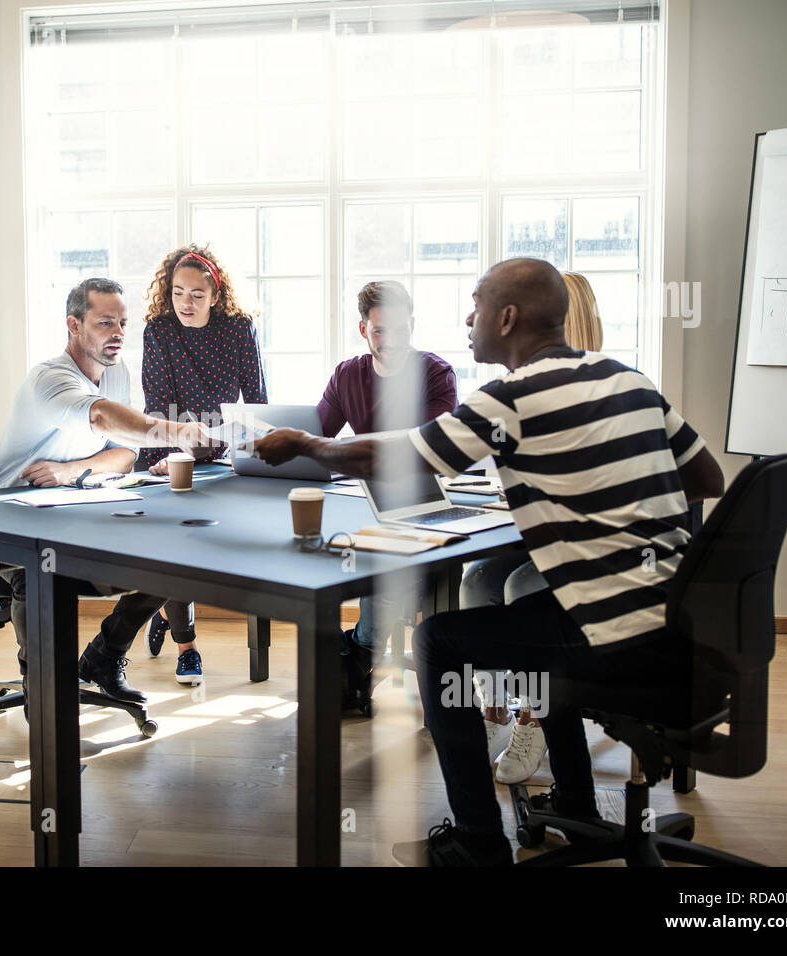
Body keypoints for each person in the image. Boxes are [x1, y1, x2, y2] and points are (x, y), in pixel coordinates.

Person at [250, 258, 724, 866]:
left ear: (507, 317)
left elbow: (402, 459)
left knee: (440, 641)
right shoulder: (627, 379)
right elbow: (705, 477)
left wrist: (307, 443)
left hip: (608, 637)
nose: (466, 318)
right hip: (674, 621)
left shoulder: (512, 397)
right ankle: (577, 806)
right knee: (532, 605)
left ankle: (478, 843)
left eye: (475, 304)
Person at [0, 277, 211, 708]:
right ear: (74, 325)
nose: (118, 335)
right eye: (105, 323)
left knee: (170, 557)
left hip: (77, 510)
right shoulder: (50, 379)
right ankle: (41, 682)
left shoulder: (117, 372)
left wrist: (69, 470)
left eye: (123, 324)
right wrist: (179, 430)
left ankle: (104, 658)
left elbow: (124, 456)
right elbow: (103, 420)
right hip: (14, 519)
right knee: (37, 574)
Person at [466, 271, 605, 784]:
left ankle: (533, 717)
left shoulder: (607, 388)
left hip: (598, 555)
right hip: (544, 536)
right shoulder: (523, 393)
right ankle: (495, 712)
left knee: (522, 585)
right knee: (478, 578)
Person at [137, 244, 267, 685]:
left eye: (196, 294)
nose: (185, 304)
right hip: (171, 449)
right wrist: (174, 452)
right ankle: (187, 648)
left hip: (225, 451)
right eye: (177, 293)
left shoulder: (239, 328)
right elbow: (157, 403)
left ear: (215, 295)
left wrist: (257, 452)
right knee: (174, 550)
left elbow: (258, 399)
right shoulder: (158, 330)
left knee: (219, 548)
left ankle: (167, 609)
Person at [318, 280, 457, 684]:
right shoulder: (348, 375)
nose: (390, 340)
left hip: (421, 508)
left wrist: (352, 448)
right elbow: (320, 437)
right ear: (364, 330)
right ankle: (345, 651)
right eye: (380, 330)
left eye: (399, 329)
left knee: (385, 557)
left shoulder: (435, 374)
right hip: (361, 503)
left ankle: (360, 652)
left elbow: (427, 446)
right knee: (306, 547)